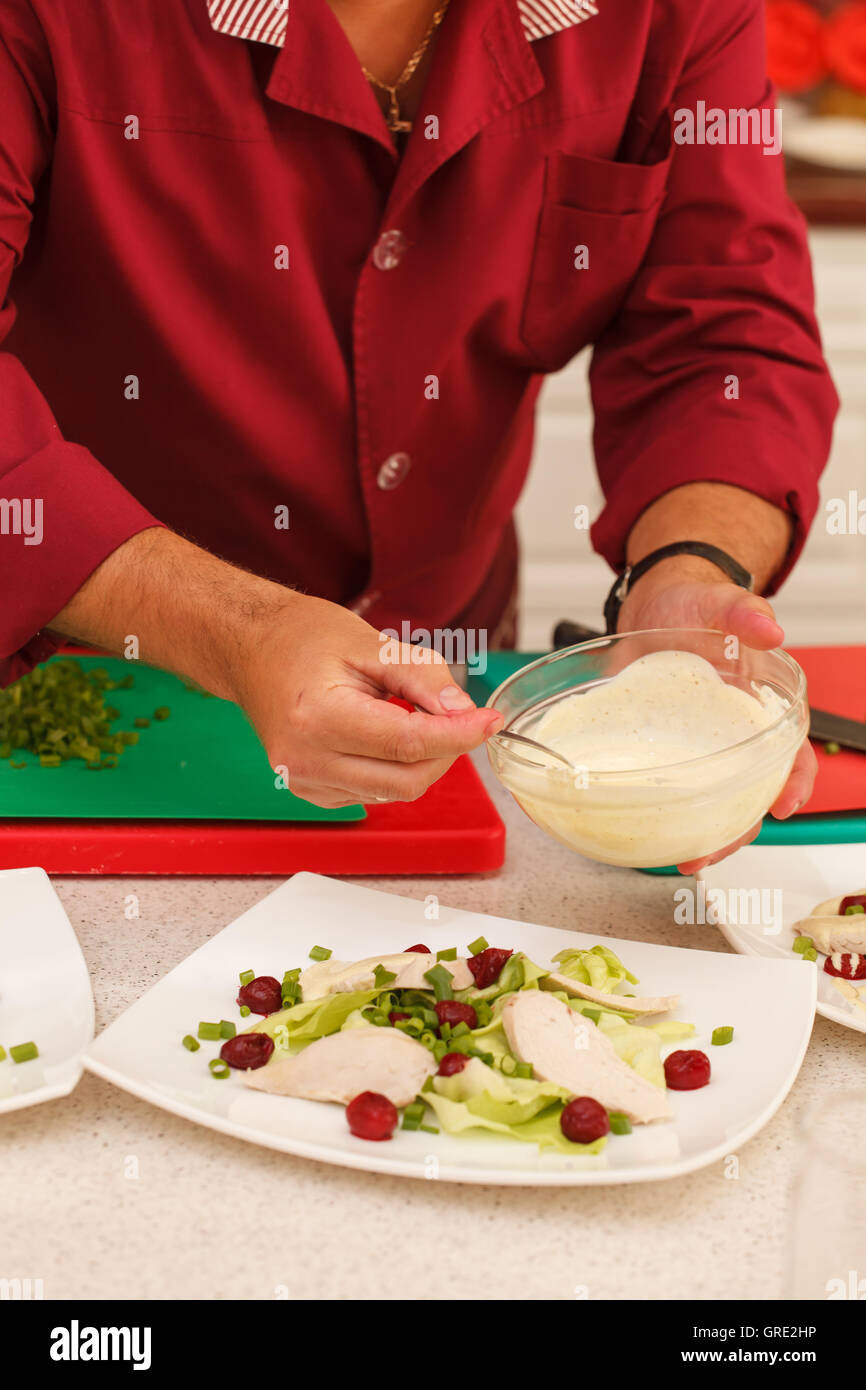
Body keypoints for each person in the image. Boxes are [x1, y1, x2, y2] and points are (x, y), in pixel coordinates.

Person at [0, 0, 837, 869]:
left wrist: (684, 572)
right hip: (79, 665)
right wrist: (237, 628)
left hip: (451, 681)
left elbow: (722, 335)